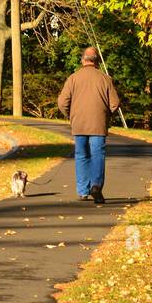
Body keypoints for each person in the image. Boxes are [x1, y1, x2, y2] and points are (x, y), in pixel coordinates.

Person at [57, 47, 121, 204]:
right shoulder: (105, 78)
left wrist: (70, 115)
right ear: (97, 61)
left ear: (82, 60)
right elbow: (115, 104)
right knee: (97, 155)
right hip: (98, 124)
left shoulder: (73, 78)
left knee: (81, 155)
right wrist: (107, 116)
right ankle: (96, 186)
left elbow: (62, 102)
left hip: (78, 123)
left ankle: (83, 191)